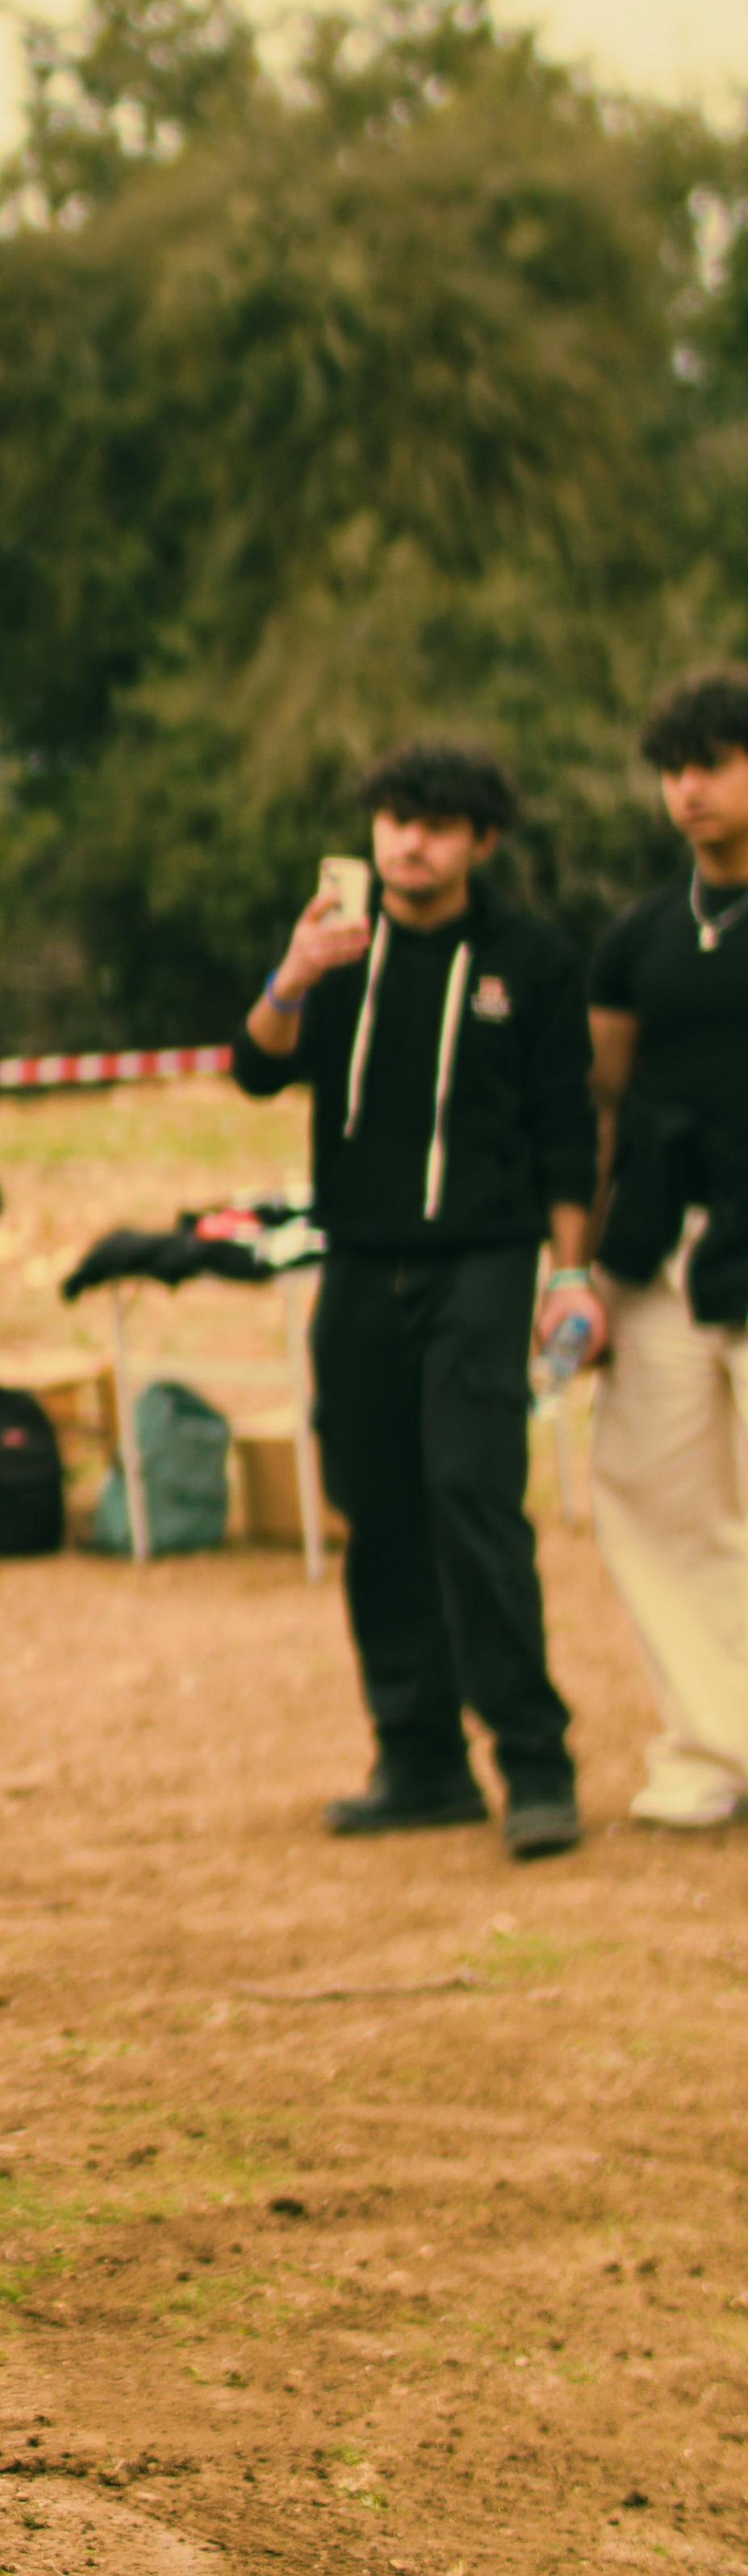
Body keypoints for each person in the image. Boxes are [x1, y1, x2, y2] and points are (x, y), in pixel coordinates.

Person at [233, 740, 598, 1860]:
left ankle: (533, 1764)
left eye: (435, 823)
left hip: (482, 1264)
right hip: (354, 1263)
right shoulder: (336, 946)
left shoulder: (529, 959)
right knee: (375, 1505)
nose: (407, 840)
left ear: (479, 840)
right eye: (394, 817)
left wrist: (569, 1274)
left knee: (470, 1496)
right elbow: (253, 1067)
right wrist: (291, 973)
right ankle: (418, 1758)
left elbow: (565, 1132)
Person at [587, 667, 748, 1826]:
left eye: (710, 763)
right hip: (661, 1254)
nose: (685, 789)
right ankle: (707, 1750)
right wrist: (584, 1271)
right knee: (654, 1498)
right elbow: (602, 1096)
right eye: (671, 768)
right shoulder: (637, 934)